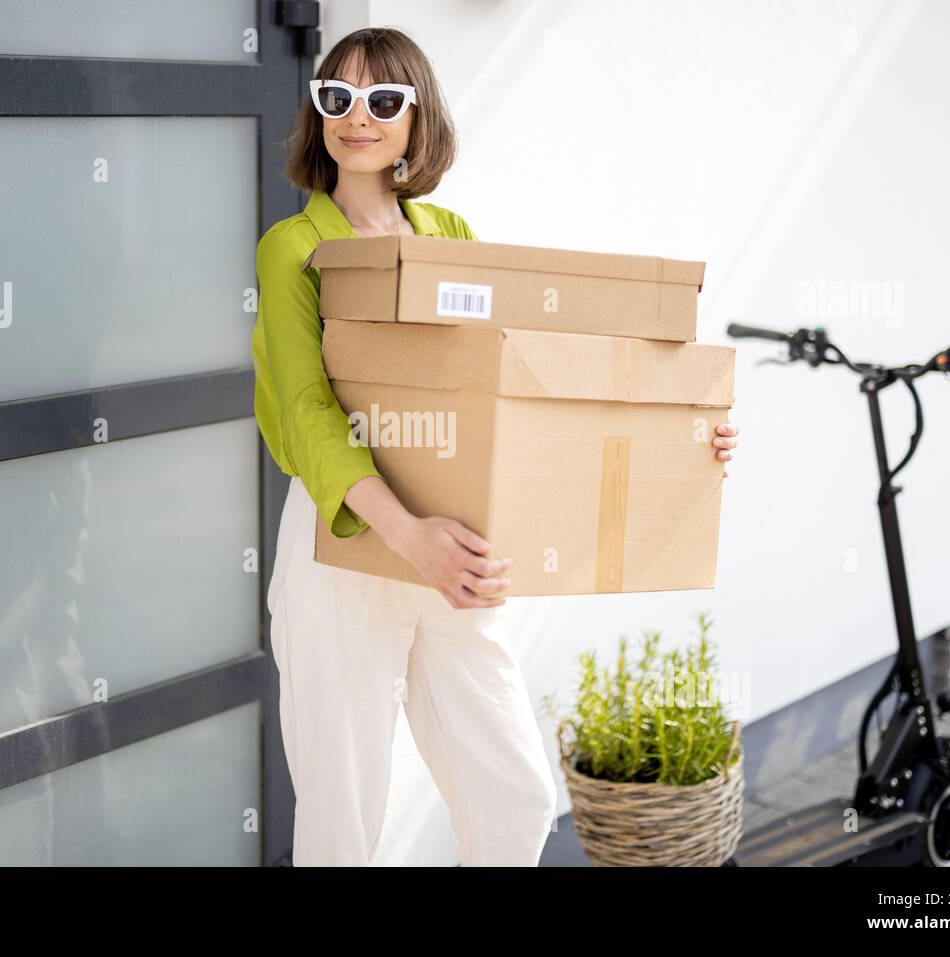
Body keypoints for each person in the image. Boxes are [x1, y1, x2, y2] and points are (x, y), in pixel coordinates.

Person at [252, 27, 739, 867]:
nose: (356, 116)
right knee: (343, 823)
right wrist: (408, 536)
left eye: (382, 100)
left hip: (456, 544)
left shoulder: (448, 232)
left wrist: (680, 434)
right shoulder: (294, 248)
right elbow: (305, 414)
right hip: (350, 544)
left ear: (417, 118)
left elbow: (516, 386)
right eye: (336, 97)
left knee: (513, 797)